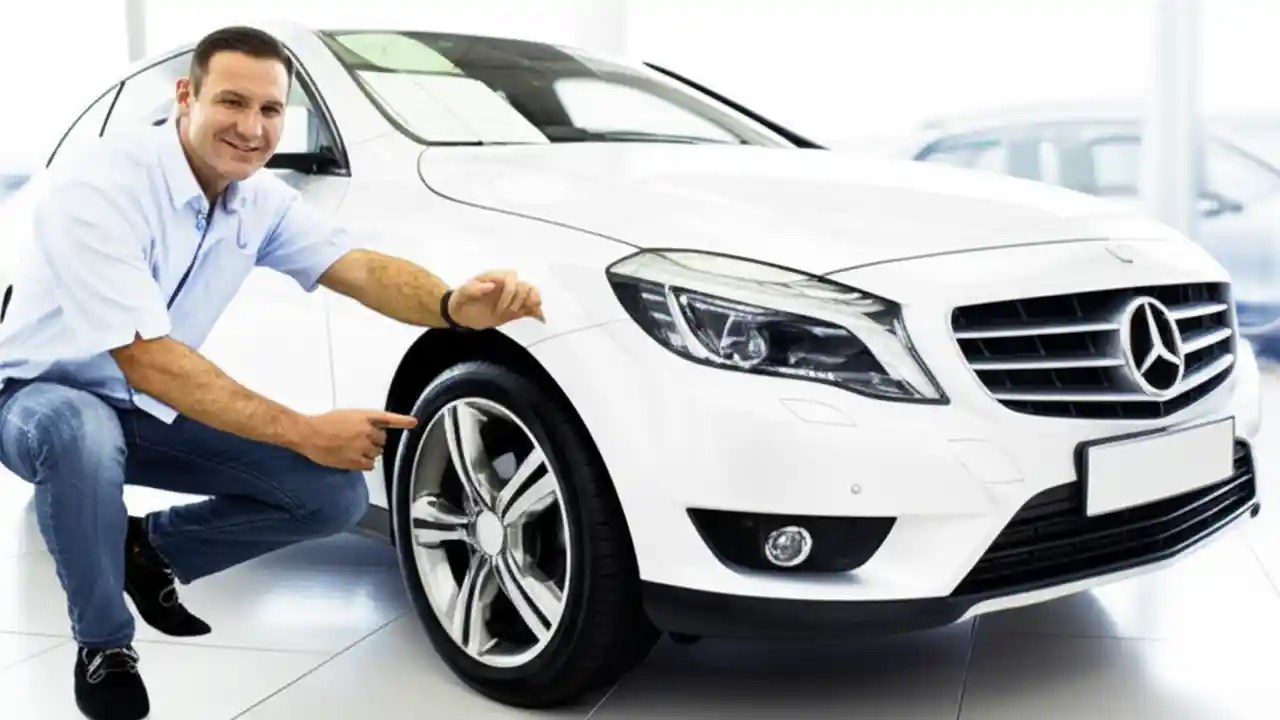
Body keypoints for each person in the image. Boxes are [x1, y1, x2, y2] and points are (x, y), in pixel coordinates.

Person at [0, 26, 544, 720]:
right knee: (78, 428)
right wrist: (304, 427)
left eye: (270, 110)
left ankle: (150, 550)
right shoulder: (102, 187)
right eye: (232, 102)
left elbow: (361, 269)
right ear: (184, 97)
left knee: (333, 496)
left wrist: (449, 305)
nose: (252, 128)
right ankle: (106, 646)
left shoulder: (258, 200)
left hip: (143, 410)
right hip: (36, 400)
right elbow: (147, 358)